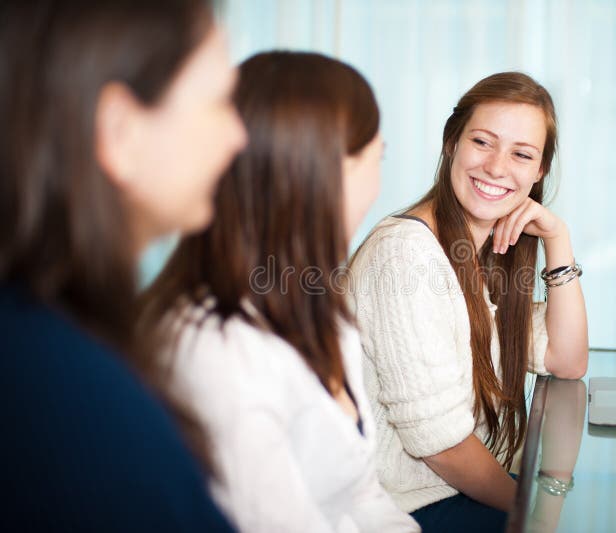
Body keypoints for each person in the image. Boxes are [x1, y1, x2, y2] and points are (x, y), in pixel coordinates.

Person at [138, 51, 420, 533]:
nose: (379, 182)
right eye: (380, 158)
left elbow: (363, 496)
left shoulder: (316, 305)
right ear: (330, 174)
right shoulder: (217, 352)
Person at [0, 0, 247, 530]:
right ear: (120, 131)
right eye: (220, 102)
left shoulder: (44, 346)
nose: (238, 136)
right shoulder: (76, 403)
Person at [348, 72, 589, 532]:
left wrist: (558, 238)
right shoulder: (406, 254)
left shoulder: (485, 252)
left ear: (539, 172)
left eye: (521, 154)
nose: (497, 167)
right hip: (406, 509)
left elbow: (566, 358)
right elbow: (441, 445)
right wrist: (535, 514)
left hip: (451, 491)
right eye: (482, 142)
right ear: (451, 143)